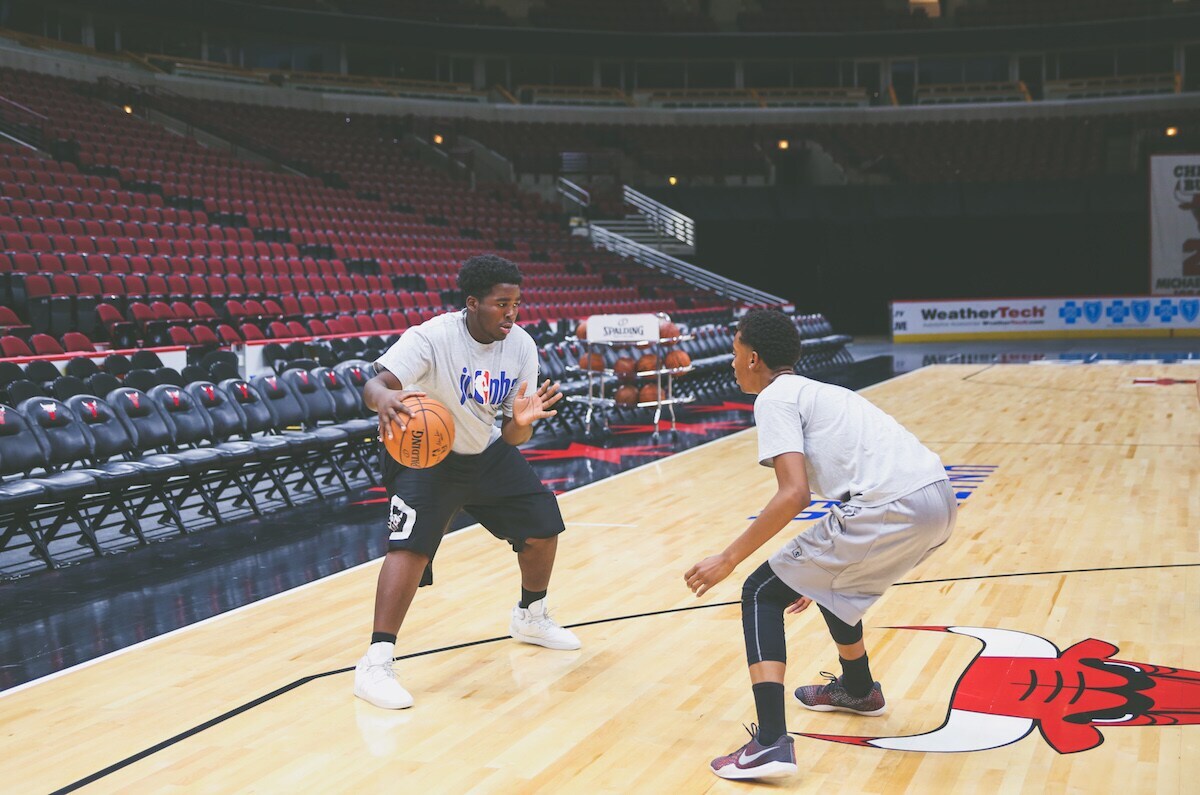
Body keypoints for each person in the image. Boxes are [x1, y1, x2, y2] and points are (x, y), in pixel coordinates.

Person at [684, 309, 956, 780]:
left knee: (760, 592)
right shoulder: (825, 391)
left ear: (751, 358)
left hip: (890, 505)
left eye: (733, 354)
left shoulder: (774, 399)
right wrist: (818, 570)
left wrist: (727, 558)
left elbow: (793, 494)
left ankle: (770, 742)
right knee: (828, 581)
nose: (731, 363)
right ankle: (858, 688)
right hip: (938, 498)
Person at [354, 254, 581, 710]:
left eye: (517, 303)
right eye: (502, 303)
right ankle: (375, 662)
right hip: (425, 456)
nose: (512, 313)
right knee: (410, 548)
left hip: (485, 449)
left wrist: (521, 423)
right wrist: (385, 399)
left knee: (544, 524)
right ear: (473, 303)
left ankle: (530, 616)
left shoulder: (521, 346)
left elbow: (515, 434)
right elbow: (375, 384)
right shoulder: (432, 337)